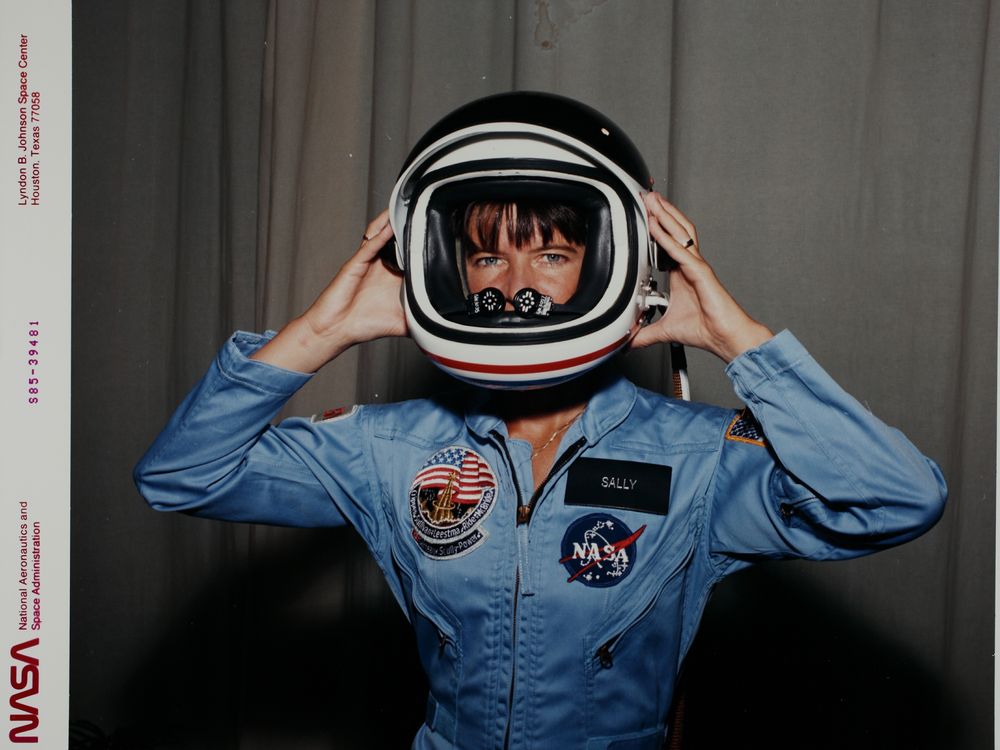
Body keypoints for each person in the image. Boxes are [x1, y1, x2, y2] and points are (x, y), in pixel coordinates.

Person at [134, 92, 946, 749]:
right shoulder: (390, 448)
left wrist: (740, 342)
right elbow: (181, 476)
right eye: (488, 255)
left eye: (552, 254)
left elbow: (898, 501)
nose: (514, 282)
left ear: (611, 262)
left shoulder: (696, 459)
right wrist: (320, 333)